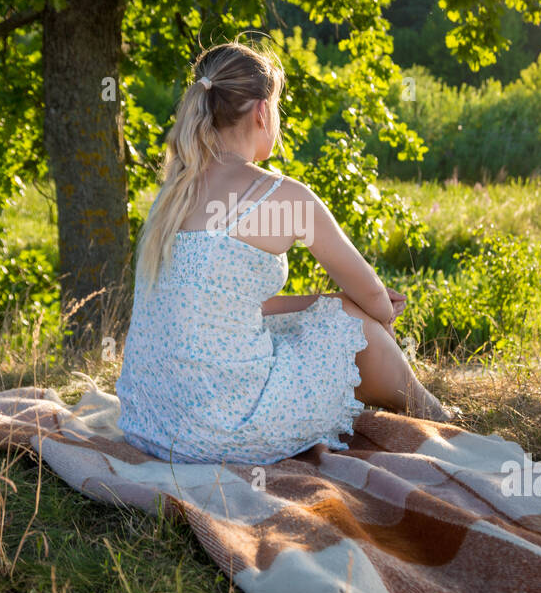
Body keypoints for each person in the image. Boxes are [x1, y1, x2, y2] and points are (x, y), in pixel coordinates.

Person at [115, 35, 458, 465]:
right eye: (277, 106)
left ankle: (431, 415)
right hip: (225, 430)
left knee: (338, 314)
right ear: (262, 111)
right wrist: (372, 314)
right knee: (356, 327)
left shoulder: (174, 194)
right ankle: (437, 417)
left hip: (152, 424)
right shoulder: (281, 196)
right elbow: (374, 297)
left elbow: (233, 309)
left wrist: (329, 301)